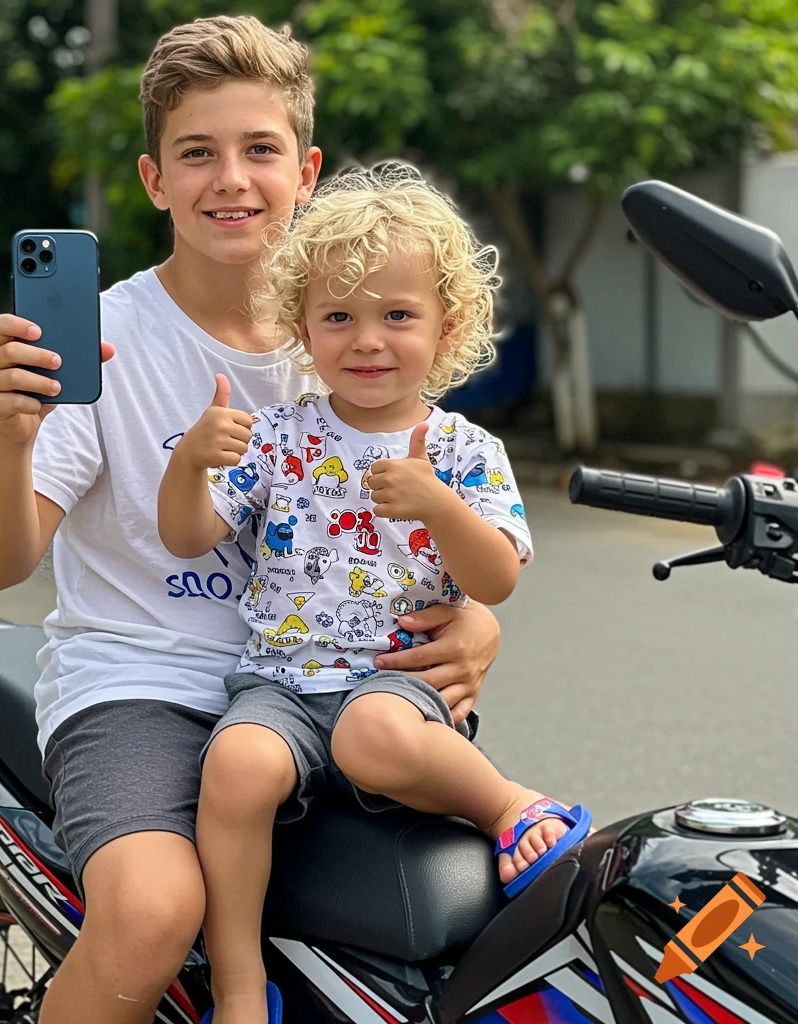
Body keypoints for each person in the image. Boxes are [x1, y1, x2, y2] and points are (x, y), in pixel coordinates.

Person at [0, 16, 503, 1024]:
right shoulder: (107, 340)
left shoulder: (354, 332)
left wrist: (478, 619)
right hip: (140, 682)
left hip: (341, 680)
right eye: (196, 153)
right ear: (153, 178)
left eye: (258, 150)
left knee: (475, 916)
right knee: (151, 915)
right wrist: (10, 435)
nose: (231, 179)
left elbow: (435, 519)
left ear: (305, 170)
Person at [158, 164, 592, 1024]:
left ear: (447, 324)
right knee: (236, 765)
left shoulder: (464, 449)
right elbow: (187, 537)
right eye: (338, 317)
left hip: (397, 684)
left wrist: (438, 505)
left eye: (398, 315)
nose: (367, 340)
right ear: (303, 329)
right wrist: (187, 463)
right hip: (278, 683)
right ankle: (243, 988)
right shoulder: (279, 436)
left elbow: (495, 578)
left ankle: (510, 805)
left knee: (373, 731)